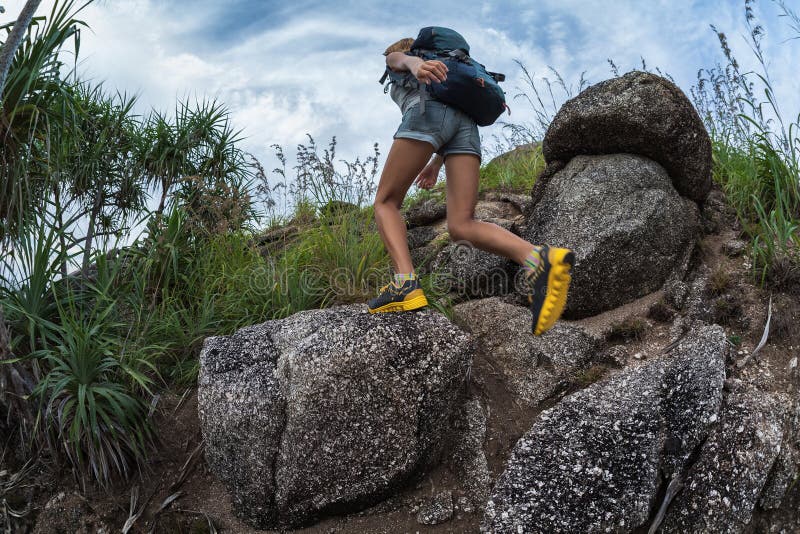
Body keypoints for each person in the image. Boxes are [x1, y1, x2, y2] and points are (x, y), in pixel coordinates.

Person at [367, 35, 574, 336]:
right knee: (462, 225)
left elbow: (396, 61)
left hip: (427, 116)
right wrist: (435, 164)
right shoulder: (448, 70)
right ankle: (539, 258)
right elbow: (449, 123)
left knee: (385, 203)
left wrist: (413, 63)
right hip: (465, 128)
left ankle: (405, 283)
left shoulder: (401, 59)